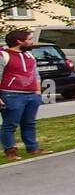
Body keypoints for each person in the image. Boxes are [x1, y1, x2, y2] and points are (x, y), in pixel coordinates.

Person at [1, 28, 48, 161]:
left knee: (29, 123)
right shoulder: (4, 55)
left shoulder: (29, 55)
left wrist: (38, 92)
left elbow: (35, 74)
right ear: (19, 41)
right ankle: (10, 150)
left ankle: (32, 147)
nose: (32, 42)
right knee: (10, 124)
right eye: (29, 39)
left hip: (31, 94)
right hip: (12, 94)